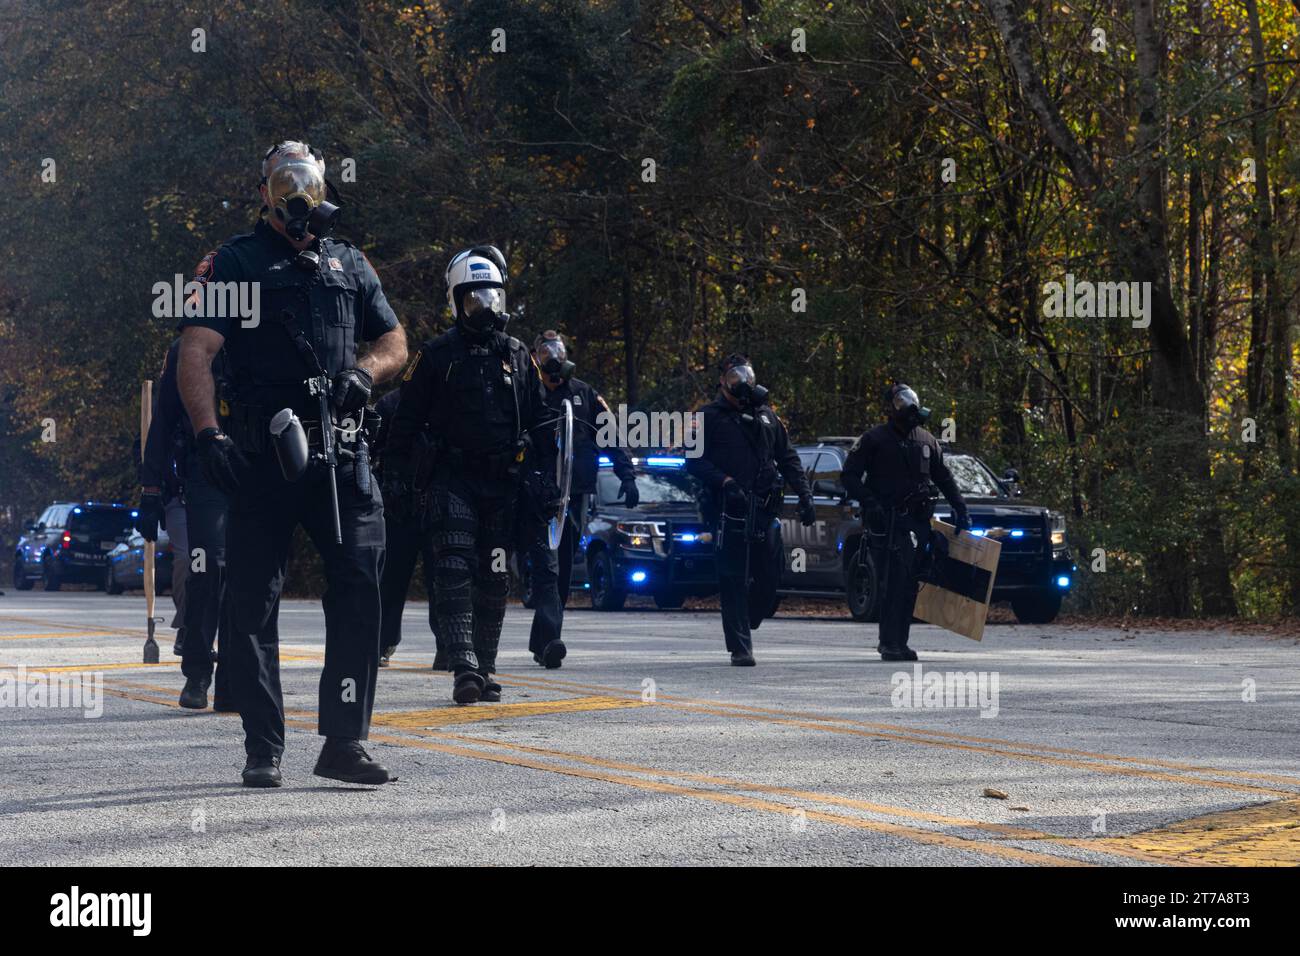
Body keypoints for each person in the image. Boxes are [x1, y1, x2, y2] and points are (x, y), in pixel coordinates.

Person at [176, 141, 408, 788]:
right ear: (266, 193)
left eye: (305, 173)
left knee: (361, 589)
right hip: (261, 456)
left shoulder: (348, 260)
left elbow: (394, 339)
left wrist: (366, 372)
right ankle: (263, 746)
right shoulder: (234, 263)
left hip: (343, 453)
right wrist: (207, 435)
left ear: (323, 182)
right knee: (251, 602)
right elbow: (195, 352)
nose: (297, 186)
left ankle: (343, 742)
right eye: (284, 176)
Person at [382, 245, 556, 704]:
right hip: (451, 479)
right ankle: (464, 667)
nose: (484, 307)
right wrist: (398, 479)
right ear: (456, 301)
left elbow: (541, 422)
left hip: (503, 483)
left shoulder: (519, 355)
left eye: (491, 297)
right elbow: (405, 422)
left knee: (495, 574)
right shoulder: (436, 356)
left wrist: (545, 475)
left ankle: (488, 666)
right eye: (474, 298)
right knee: (454, 569)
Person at [686, 354, 814, 665]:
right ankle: (740, 647)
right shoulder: (708, 417)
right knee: (732, 579)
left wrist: (805, 496)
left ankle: (752, 616)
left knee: (769, 577)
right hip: (729, 510)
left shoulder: (768, 416)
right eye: (734, 377)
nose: (742, 382)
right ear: (723, 381)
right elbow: (693, 460)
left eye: (745, 375)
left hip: (765, 509)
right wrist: (725, 481)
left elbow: (788, 458)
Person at [522, 331, 637, 669]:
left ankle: (543, 642)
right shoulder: (527, 392)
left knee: (562, 567)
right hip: (536, 493)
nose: (553, 357)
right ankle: (548, 641)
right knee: (547, 564)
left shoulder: (583, 393)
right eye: (545, 353)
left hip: (574, 494)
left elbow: (610, 434)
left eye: (557, 351)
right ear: (535, 357)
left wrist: (626, 475)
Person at [841, 383, 970, 662]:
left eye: (911, 400)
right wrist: (870, 501)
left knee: (911, 582)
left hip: (918, 521)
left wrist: (961, 508)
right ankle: (888, 642)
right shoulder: (874, 439)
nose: (908, 407)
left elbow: (944, 477)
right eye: (902, 402)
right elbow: (849, 476)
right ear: (891, 407)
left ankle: (901, 641)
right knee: (893, 580)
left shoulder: (927, 440)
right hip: (886, 522)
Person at [137, 338, 233, 711]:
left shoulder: (274, 328)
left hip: (259, 467)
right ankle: (197, 672)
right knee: (207, 568)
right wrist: (150, 487)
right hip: (205, 470)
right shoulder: (189, 347)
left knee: (254, 578)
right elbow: (163, 419)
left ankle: (236, 678)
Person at [372, 387, 446, 670]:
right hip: (399, 506)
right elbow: (370, 450)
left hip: (438, 505)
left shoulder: (445, 402)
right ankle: (383, 643)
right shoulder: (390, 405)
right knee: (391, 578)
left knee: (443, 580)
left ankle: (446, 645)